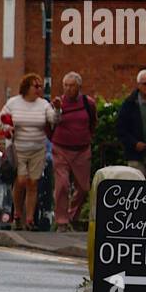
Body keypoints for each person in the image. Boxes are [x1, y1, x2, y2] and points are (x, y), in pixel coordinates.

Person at [0, 72, 57, 231]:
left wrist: (57, 109)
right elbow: (0, 119)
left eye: (40, 86)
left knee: (33, 182)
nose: (39, 89)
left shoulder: (43, 104)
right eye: (35, 86)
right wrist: (7, 127)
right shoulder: (14, 102)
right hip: (19, 148)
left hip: (38, 148)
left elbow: (53, 119)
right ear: (26, 87)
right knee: (22, 180)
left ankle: (29, 218)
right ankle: (17, 213)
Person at [50, 72, 96, 230]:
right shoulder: (58, 103)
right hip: (61, 148)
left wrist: (88, 137)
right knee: (62, 185)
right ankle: (61, 221)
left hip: (82, 150)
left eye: (72, 85)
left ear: (79, 87)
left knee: (83, 188)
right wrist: (57, 109)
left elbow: (93, 122)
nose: (68, 89)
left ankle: (72, 216)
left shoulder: (87, 103)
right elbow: (51, 123)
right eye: (66, 85)